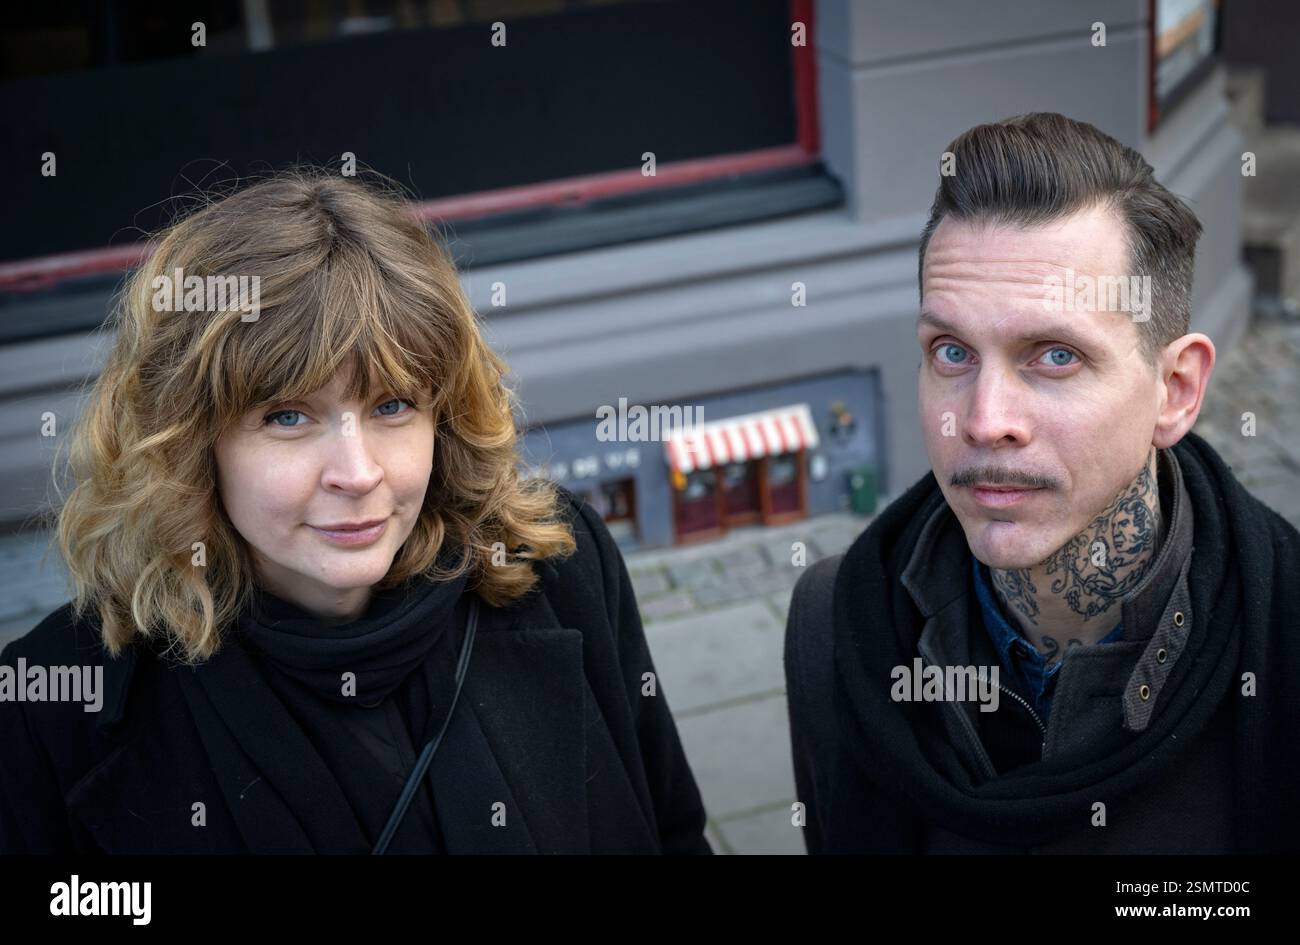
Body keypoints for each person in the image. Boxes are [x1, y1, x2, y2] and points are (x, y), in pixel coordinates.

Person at [0, 168, 711, 854]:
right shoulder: (55, 708)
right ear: (188, 443)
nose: (358, 472)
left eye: (392, 405)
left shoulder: (558, 561)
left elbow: (673, 832)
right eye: (287, 417)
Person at [784, 112, 1300, 854]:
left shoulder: (1281, 639)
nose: (985, 420)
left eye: (1054, 356)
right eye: (952, 351)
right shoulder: (837, 624)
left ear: (1176, 389)